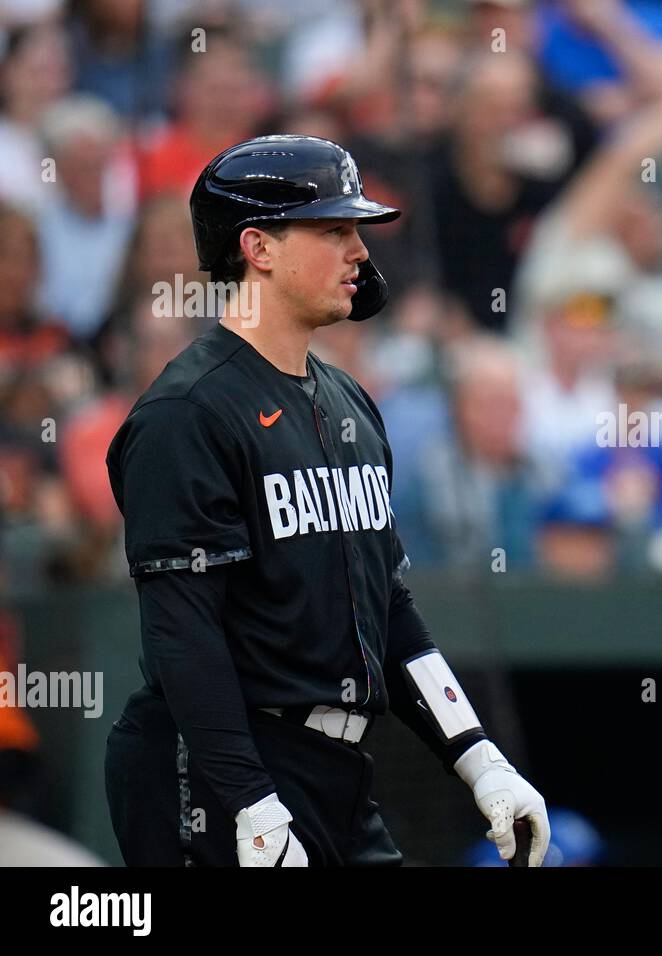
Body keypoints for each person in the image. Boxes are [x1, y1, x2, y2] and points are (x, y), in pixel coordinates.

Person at [103, 135, 550, 867]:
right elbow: (183, 633)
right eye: (334, 230)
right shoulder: (188, 412)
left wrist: (479, 757)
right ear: (259, 247)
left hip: (338, 773)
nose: (360, 254)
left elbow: (389, 608)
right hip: (214, 771)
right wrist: (249, 801)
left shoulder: (348, 402)